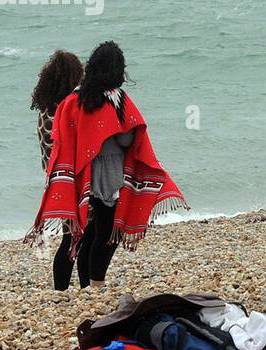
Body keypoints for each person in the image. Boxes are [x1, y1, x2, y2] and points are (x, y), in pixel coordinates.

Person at [29, 41, 186, 290]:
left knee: (78, 238)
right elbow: (125, 138)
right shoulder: (108, 99)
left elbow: (62, 147)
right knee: (98, 235)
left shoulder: (63, 105)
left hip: (72, 178)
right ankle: (91, 286)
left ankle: (70, 291)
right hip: (103, 176)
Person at [29, 49, 84, 289]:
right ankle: (84, 287)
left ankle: (61, 289)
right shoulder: (67, 110)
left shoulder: (45, 111)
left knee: (69, 236)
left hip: (57, 181)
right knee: (81, 237)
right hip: (74, 180)